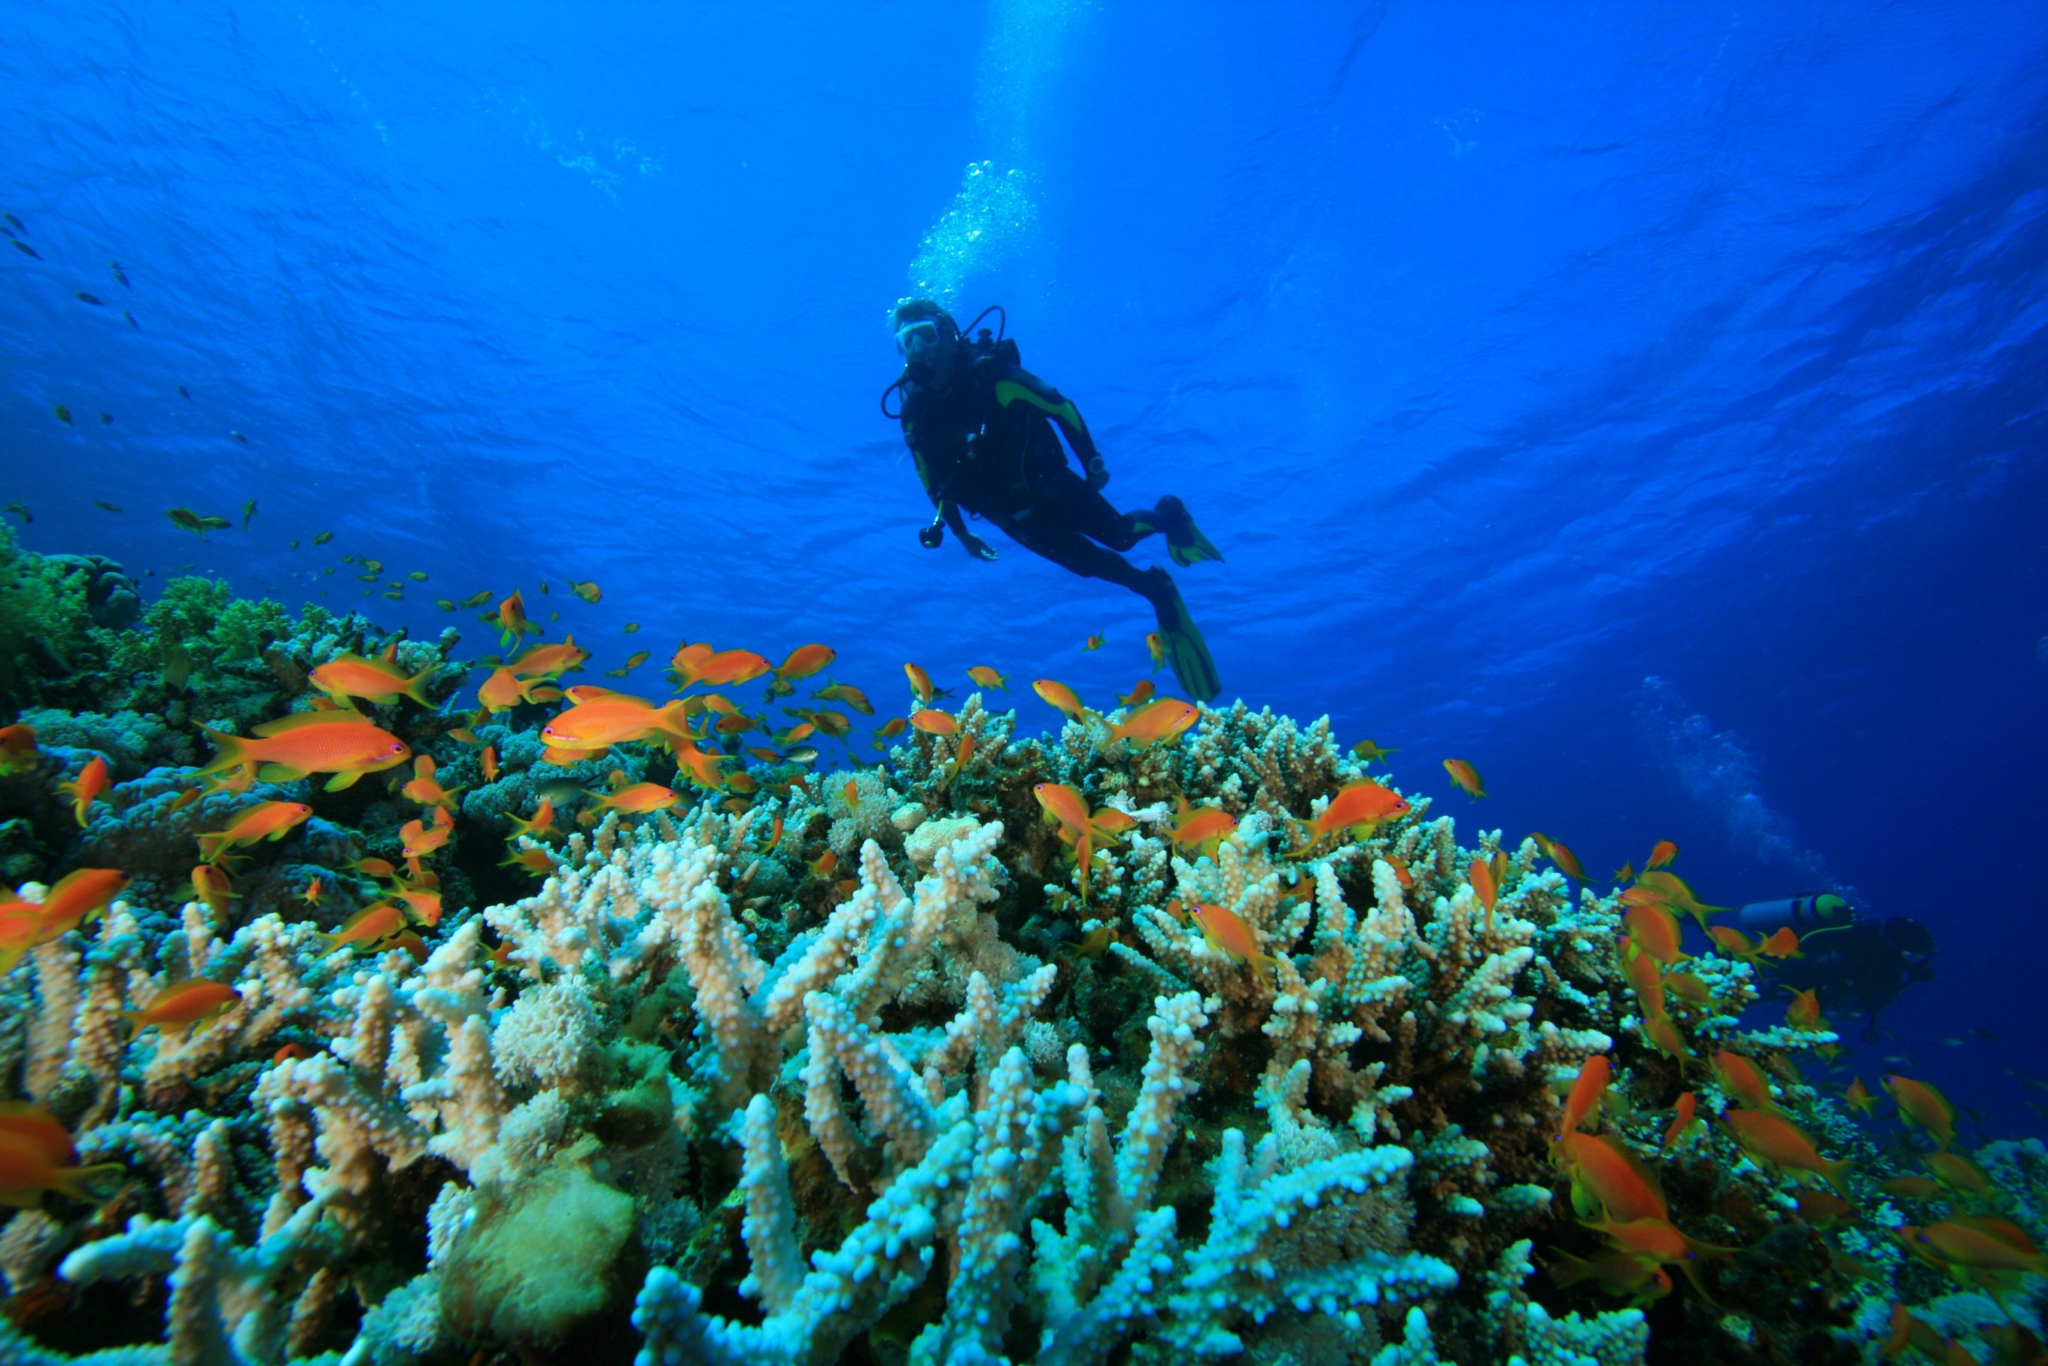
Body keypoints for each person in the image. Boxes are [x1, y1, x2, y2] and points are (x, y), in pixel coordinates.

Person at [882, 300, 1223, 702]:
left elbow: (1059, 406)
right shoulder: (914, 412)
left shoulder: (990, 375)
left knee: (1120, 536)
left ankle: (1169, 513)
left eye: (926, 333)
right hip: (1009, 516)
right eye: (908, 341)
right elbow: (932, 480)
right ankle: (1155, 589)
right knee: (1086, 564)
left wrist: (1092, 461)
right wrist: (960, 533)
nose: (919, 347)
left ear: (949, 334)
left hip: (1051, 484)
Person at [1737, 892, 1936, 1042]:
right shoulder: (1884, 964)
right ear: (1906, 950)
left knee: (1736, 988)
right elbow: (1872, 1001)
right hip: (1786, 979)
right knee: (1738, 995)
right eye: (1918, 956)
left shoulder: (1865, 934)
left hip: (1780, 965)